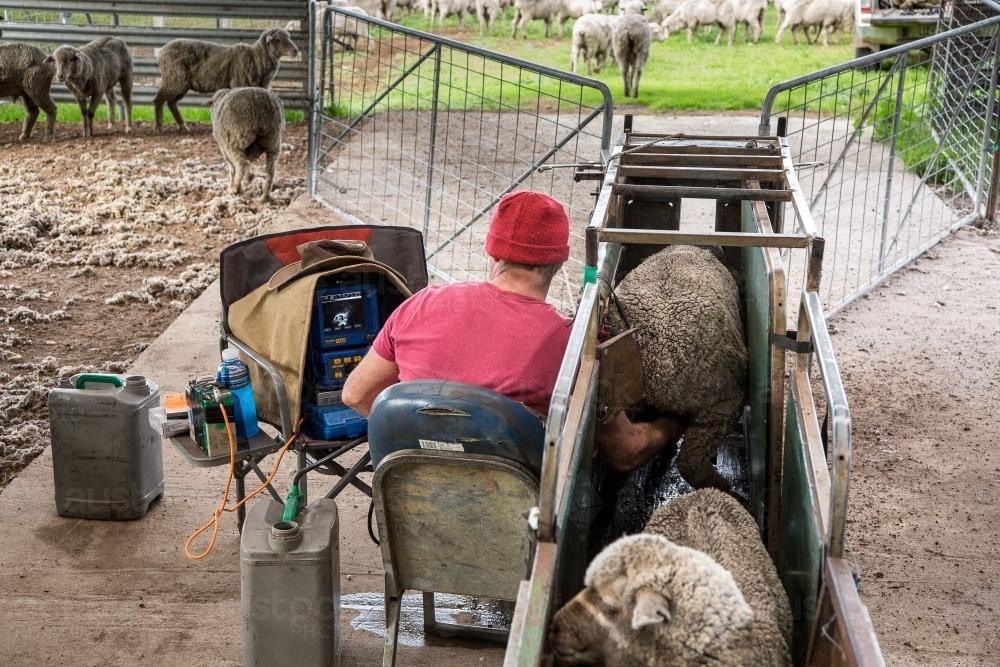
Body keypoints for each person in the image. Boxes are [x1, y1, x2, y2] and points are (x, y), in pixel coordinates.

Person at [342, 190, 574, 418]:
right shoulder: (567, 342)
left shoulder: (423, 303)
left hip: (408, 454)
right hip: (506, 455)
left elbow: (355, 395)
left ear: (493, 251)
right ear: (560, 262)